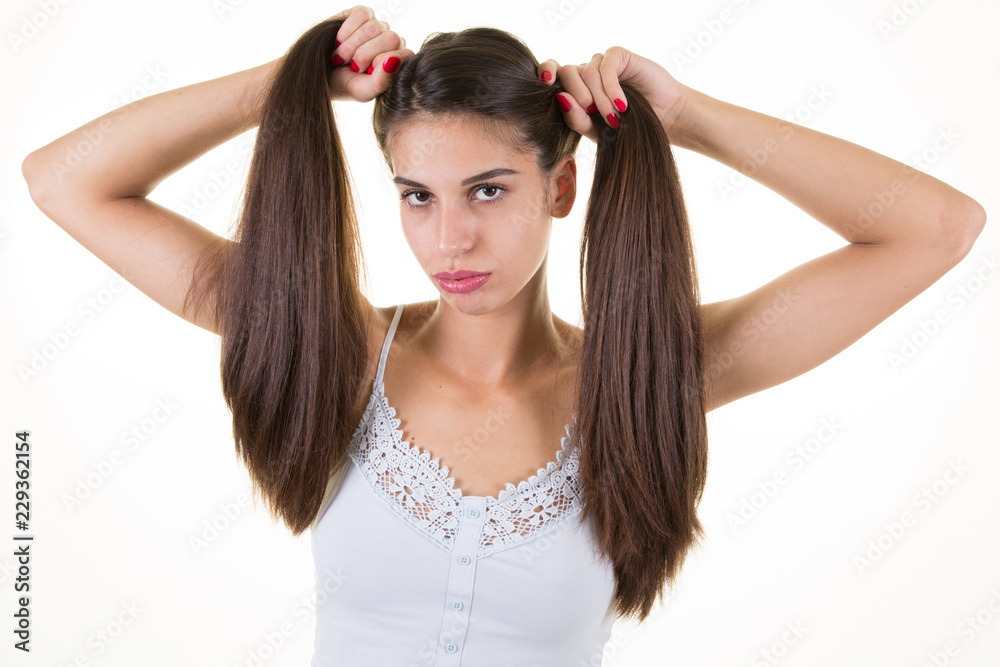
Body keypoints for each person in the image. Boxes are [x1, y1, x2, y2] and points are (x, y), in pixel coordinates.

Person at [20, 5, 986, 665]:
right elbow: (64, 179)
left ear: (560, 186)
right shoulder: (337, 353)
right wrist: (288, 85)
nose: (452, 238)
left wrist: (686, 119)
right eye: (417, 196)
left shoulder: (648, 380)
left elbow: (935, 227)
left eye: (489, 189)